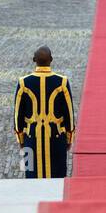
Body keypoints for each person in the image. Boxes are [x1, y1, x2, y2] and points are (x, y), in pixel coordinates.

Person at [13, 46, 75, 178]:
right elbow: (69, 113)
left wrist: (21, 139)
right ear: (51, 60)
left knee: (30, 175)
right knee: (57, 175)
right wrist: (69, 138)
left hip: (30, 138)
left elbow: (18, 114)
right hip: (57, 138)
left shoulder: (23, 82)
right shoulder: (62, 82)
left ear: (34, 59)